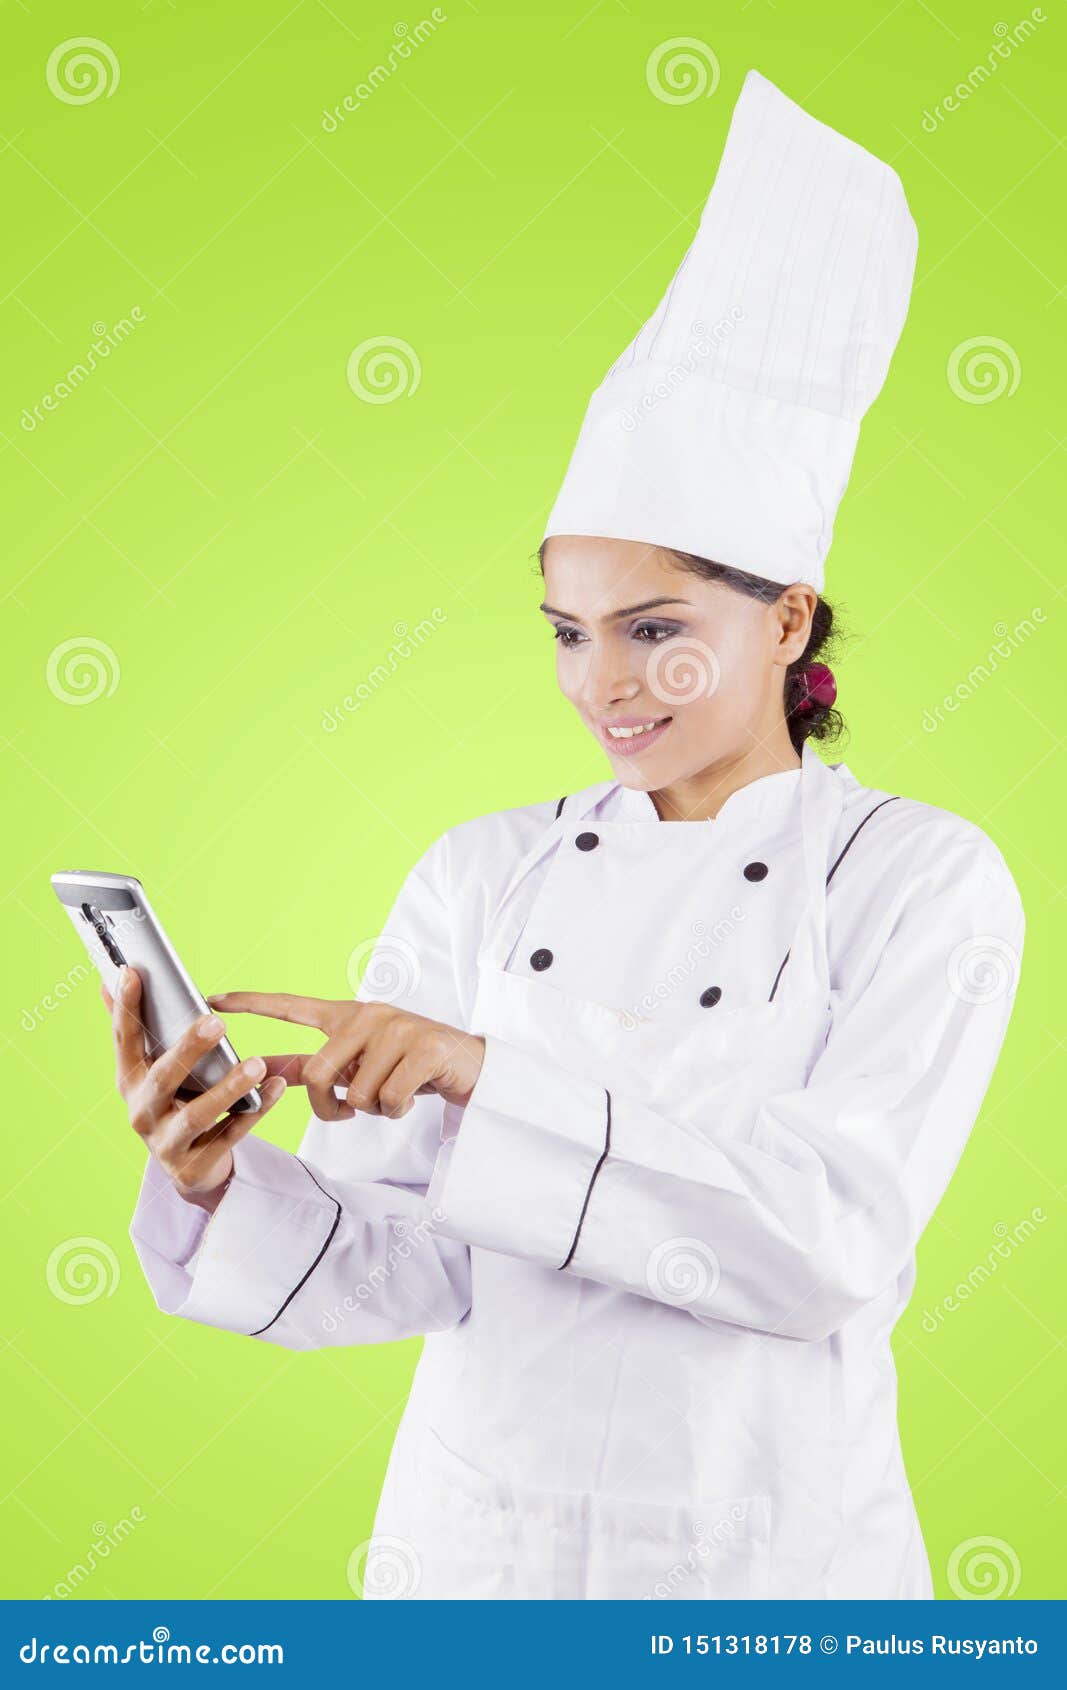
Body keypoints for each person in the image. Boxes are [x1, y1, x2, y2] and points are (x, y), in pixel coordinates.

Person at [112, 71, 1024, 1599]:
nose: (604, 683)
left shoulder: (918, 878)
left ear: (788, 613)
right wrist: (217, 1177)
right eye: (568, 631)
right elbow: (411, 1257)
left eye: (654, 628)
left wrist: (485, 1073)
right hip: (476, 1565)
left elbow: (818, 1245)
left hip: (770, 1575)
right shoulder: (485, 870)